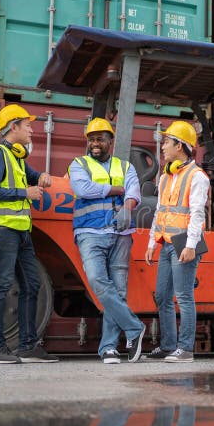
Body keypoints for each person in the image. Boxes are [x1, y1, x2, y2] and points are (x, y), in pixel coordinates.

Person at [0, 103, 58, 364]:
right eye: (27, 125)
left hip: (20, 231)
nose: (32, 130)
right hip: (2, 230)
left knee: (31, 284)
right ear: (13, 127)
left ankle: (27, 346)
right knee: (0, 285)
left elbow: (32, 175)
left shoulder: (16, 157)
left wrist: (43, 176)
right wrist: (25, 193)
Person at [69, 118, 146, 364]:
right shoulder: (79, 164)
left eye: (100, 139)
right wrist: (116, 189)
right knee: (97, 281)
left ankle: (110, 347)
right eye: (91, 139)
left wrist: (128, 206)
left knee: (119, 291)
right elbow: (84, 189)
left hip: (121, 235)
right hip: (90, 233)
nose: (95, 143)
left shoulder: (126, 167)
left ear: (110, 142)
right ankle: (134, 327)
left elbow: (134, 190)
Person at [145, 121, 210, 363]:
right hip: (166, 242)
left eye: (167, 142)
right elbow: (160, 211)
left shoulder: (197, 177)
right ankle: (168, 346)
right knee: (162, 295)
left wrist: (191, 245)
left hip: (185, 242)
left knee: (183, 296)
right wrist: (152, 241)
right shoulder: (165, 176)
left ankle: (185, 349)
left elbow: (197, 214)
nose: (163, 147)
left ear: (180, 146)